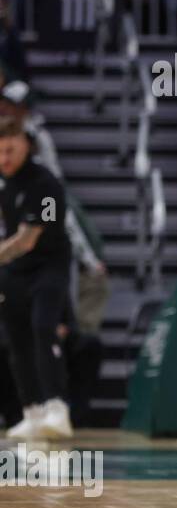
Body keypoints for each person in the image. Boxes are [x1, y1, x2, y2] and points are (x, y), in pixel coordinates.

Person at [0, 117, 72, 439]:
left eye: (11, 150)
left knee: (43, 326)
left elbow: (28, 240)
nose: (5, 158)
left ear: (26, 145)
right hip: (15, 269)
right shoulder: (4, 182)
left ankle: (57, 409)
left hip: (48, 264)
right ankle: (32, 411)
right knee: (16, 338)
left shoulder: (45, 185)